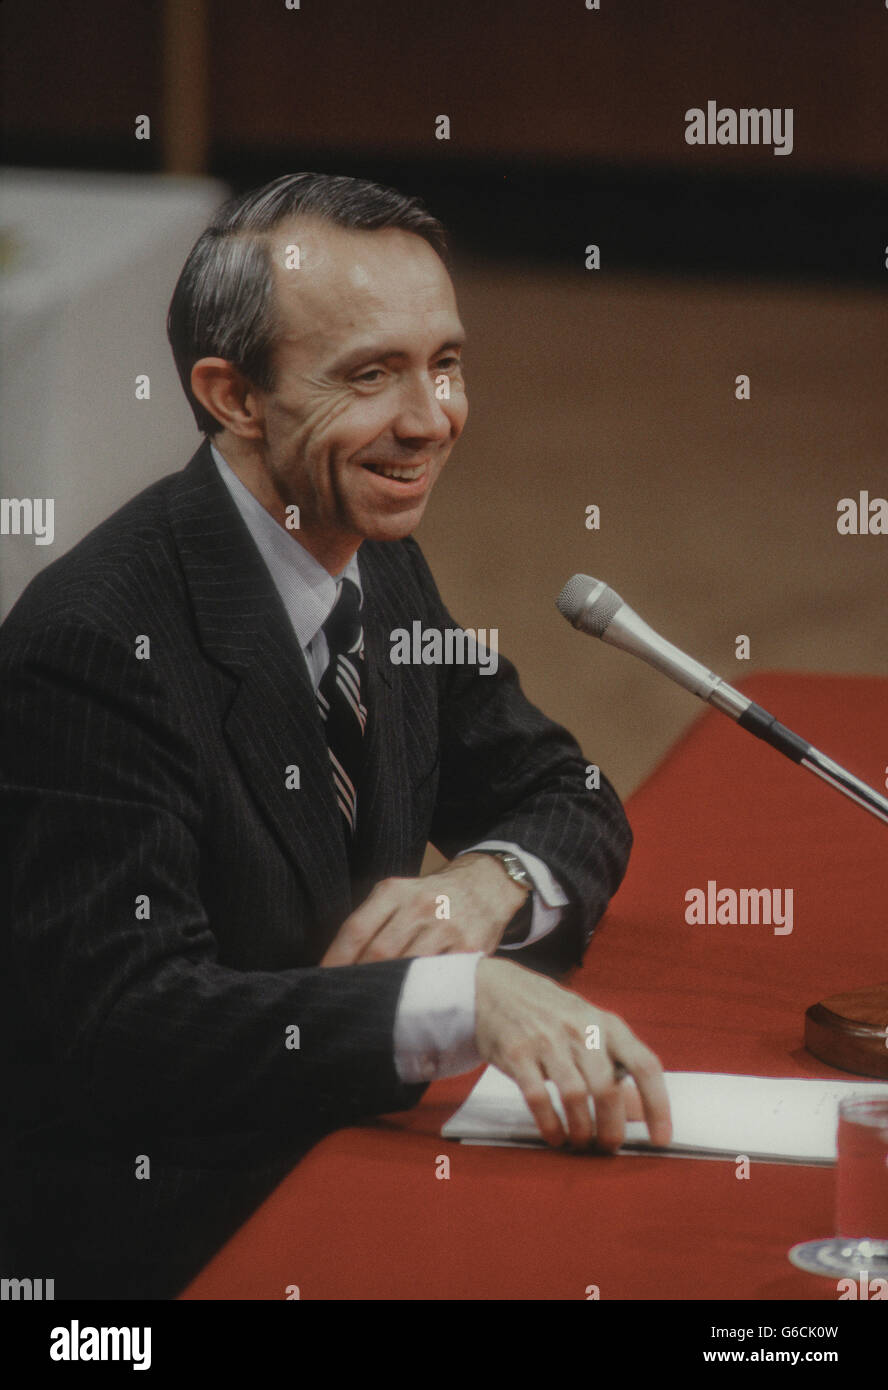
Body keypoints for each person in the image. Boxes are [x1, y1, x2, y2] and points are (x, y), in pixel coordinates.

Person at [0, 173, 670, 1300]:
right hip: (153, 1246)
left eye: (445, 362)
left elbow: (565, 784)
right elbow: (128, 1021)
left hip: (331, 1143)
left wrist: (480, 890)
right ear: (233, 396)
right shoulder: (96, 644)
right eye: (371, 375)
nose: (431, 418)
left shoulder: (375, 556)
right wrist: (464, 999)